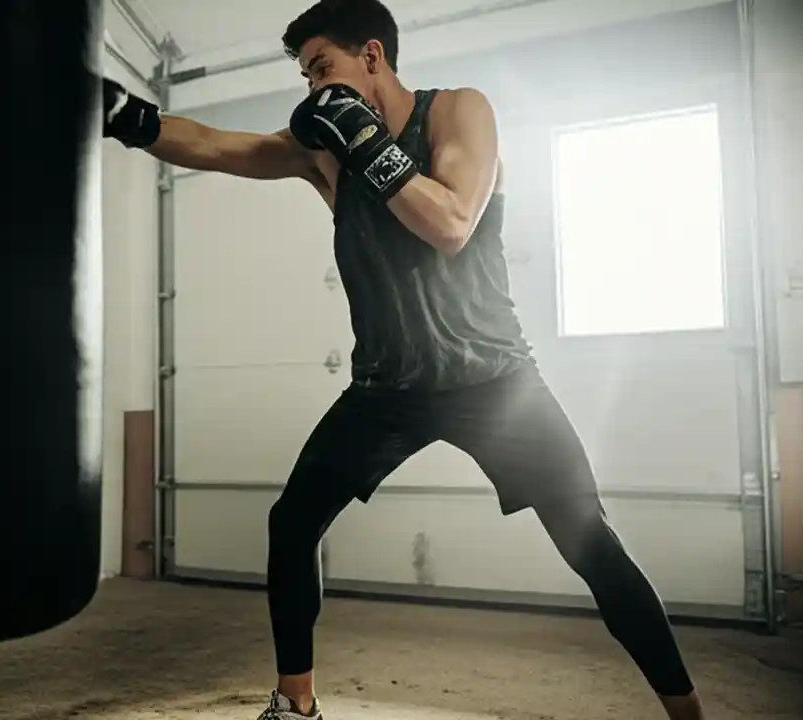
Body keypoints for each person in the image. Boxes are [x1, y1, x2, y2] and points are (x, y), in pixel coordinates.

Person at [101, 1, 706, 718]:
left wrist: (363, 142)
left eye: (322, 67)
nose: (311, 89)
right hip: (386, 389)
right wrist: (125, 115)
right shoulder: (325, 151)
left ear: (374, 58)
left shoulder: (458, 112)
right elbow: (215, 144)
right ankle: (295, 707)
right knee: (292, 523)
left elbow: (451, 223)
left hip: (496, 384)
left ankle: (688, 713)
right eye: (304, 76)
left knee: (592, 546)